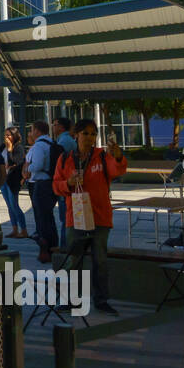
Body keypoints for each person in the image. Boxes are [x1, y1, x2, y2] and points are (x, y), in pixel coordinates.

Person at [51, 118, 126, 316]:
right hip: (75, 217)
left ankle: (101, 301)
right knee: (73, 261)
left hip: (99, 217)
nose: (90, 138)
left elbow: (117, 170)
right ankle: (71, 300)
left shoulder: (102, 156)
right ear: (76, 135)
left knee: (100, 261)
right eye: (86, 133)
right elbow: (56, 185)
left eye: (93, 134)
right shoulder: (65, 158)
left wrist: (118, 157)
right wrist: (68, 183)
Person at [26, 121, 60, 263]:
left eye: (32, 129)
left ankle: (45, 249)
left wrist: (28, 167)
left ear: (38, 131)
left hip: (42, 184)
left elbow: (38, 165)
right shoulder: (51, 143)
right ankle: (52, 247)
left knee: (42, 219)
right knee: (48, 218)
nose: (31, 133)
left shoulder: (39, 145)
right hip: (51, 183)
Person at [1, 128, 29, 238]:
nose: (6, 137)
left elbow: (15, 162)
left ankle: (24, 230)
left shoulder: (18, 147)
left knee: (14, 205)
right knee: (9, 206)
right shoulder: (2, 147)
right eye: (5, 135)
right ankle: (14, 229)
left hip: (13, 180)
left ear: (15, 136)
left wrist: (9, 150)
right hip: (4, 179)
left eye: (9, 135)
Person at [53, 117, 77, 235]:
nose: (53, 127)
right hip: (66, 183)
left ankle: (65, 246)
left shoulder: (64, 142)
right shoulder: (64, 140)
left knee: (66, 219)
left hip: (67, 184)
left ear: (61, 127)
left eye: (55, 124)